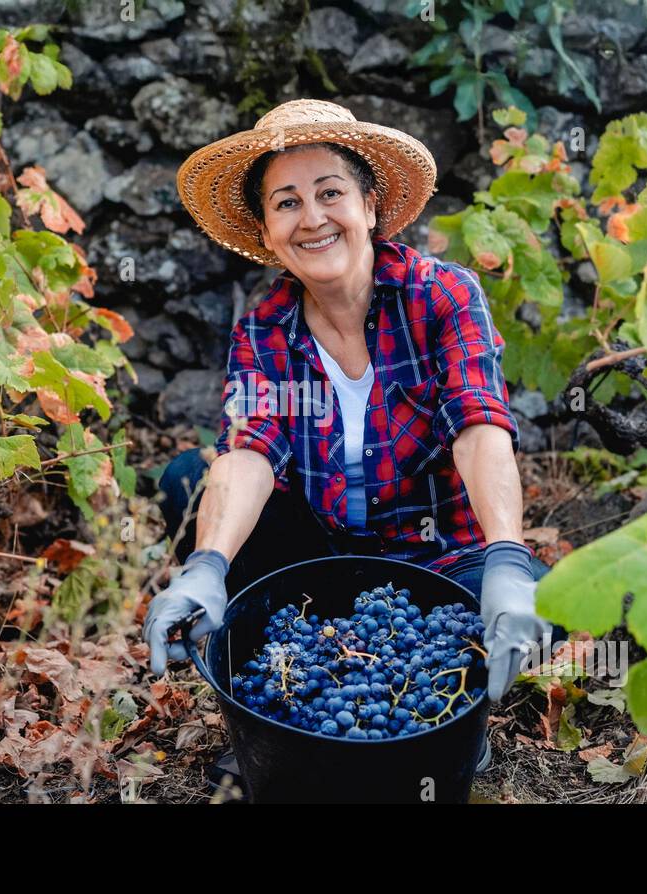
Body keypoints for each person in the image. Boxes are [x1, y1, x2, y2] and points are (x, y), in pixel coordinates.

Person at [145, 99, 561, 711]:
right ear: (267, 233)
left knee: (530, 607)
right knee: (188, 481)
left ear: (370, 207)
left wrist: (506, 556)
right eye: (286, 203)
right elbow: (251, 450)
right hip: (322, 565)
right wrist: (207, 564)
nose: (312, 218)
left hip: (440, 563)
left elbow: (478, 424)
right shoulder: (263, 331)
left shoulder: (439, 295)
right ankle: (285, 688)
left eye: (330, 193)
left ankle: (422, 699)